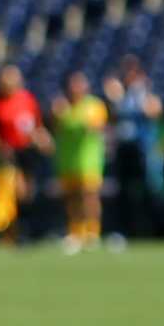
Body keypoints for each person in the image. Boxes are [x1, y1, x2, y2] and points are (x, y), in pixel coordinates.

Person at [104, 55, 164, 237]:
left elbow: (154, 110)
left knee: (148, 190)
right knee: (124, 191)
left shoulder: (144, 92)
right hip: (124, 148)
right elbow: (114, 119)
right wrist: (115, 100)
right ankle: (126, 230)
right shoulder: (121, 95)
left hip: (142, 147)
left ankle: (156, 230)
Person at [53, 72, 111, 253]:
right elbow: (57, 127)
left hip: (89, 160)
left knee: (89, 196)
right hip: (68, 160)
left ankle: (92, 232)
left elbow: (97, 127)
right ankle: (75, 232)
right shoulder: (62, 106)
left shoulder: (94, 106)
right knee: (72, 197)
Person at [0, 62, 44, 245]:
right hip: (8, 154)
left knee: (26, 193)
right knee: (13, 192)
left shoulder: (27, 100)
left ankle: (22, 230)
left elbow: (35, 126)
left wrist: (42, 140)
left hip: (26, 151)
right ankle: (10, 233)